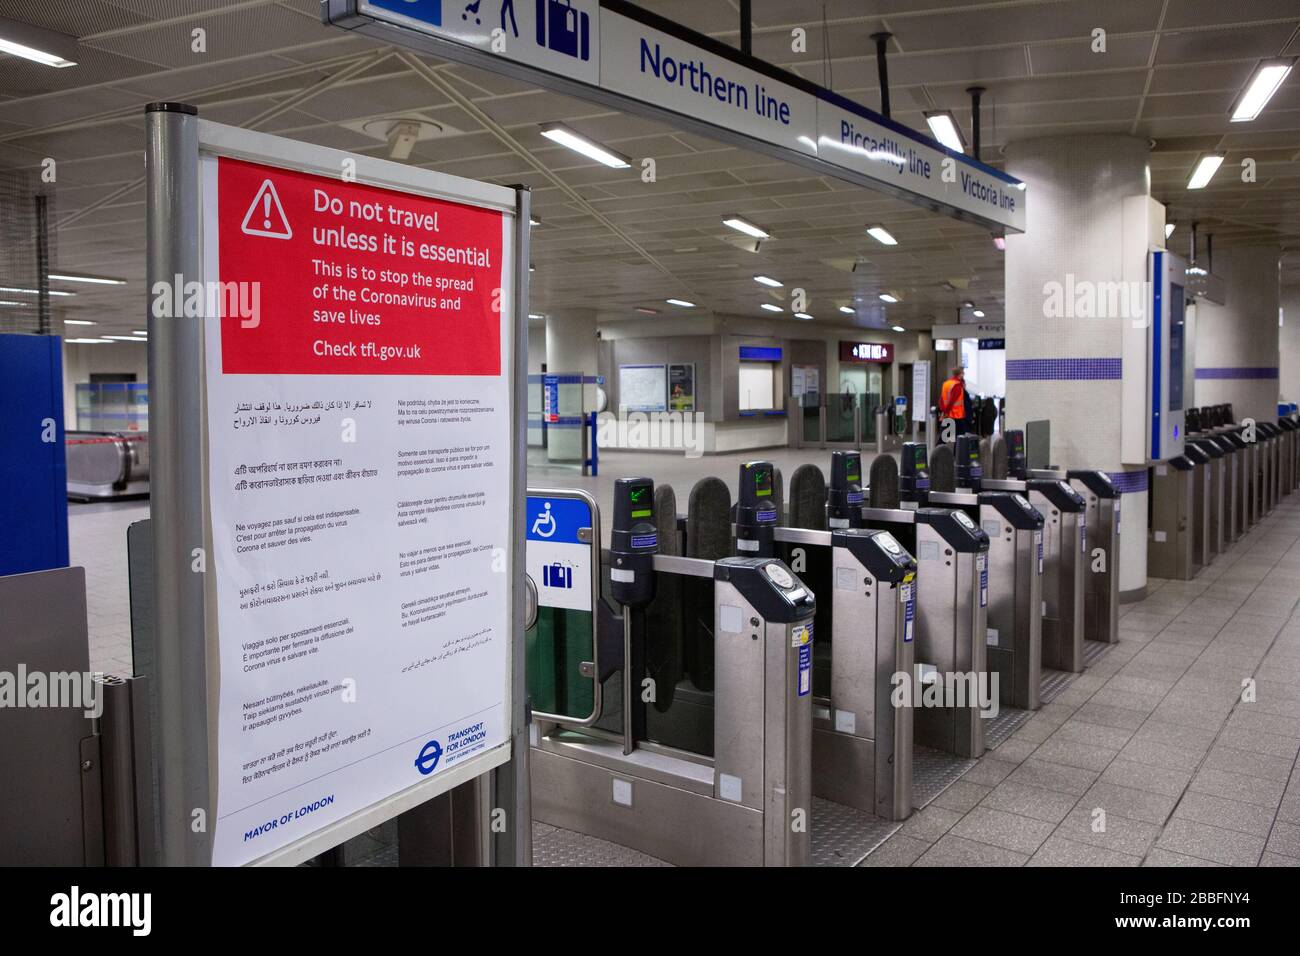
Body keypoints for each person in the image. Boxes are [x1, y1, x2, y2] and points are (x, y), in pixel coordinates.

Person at [939, 365, 968, 439]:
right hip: (956, 417)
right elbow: (951, 401)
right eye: (963, 373)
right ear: (960, 374)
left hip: (947, 416)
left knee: (946, 439)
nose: (963, 374)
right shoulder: (957, 385)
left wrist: (943, 412)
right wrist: (946, 412)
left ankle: (940, 450)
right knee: (959, 440)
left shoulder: (946, 383)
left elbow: (941, 400)